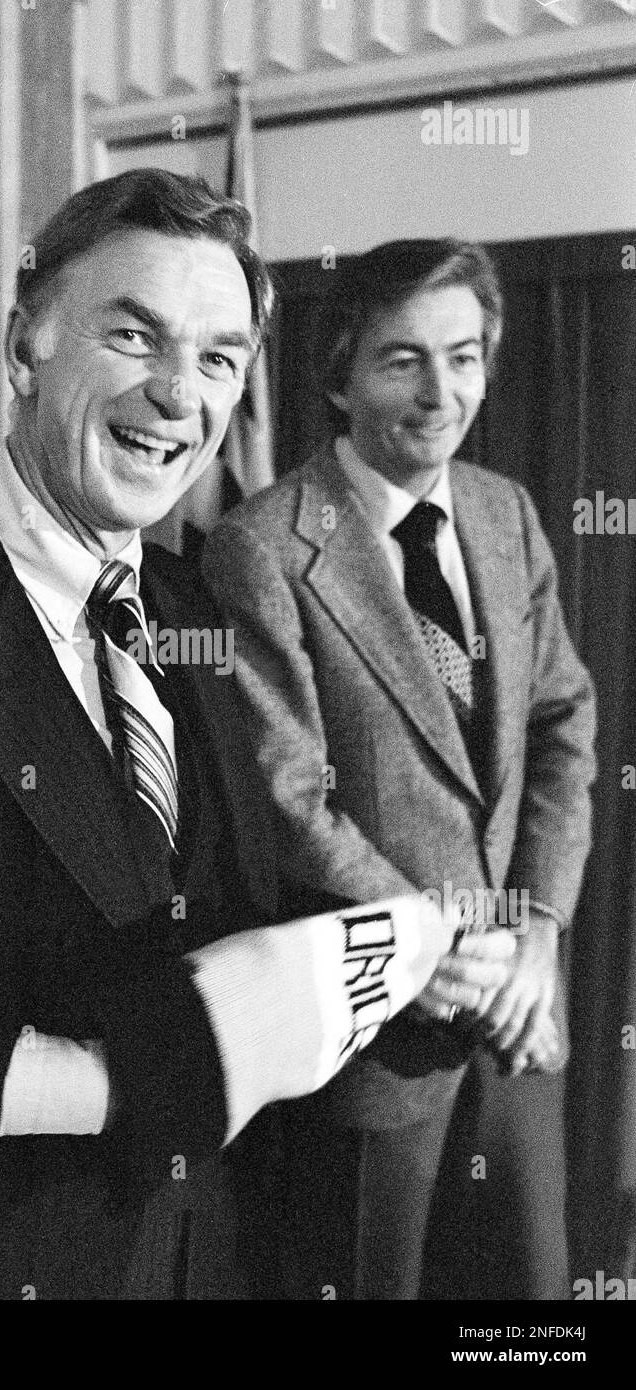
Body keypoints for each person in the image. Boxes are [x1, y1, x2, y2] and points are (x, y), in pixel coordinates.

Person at [0, 174, 464, 1301]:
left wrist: (407, 959)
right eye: (135, 335)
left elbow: (227, 925)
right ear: (26, 344)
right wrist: (117, 1087)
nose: (178, 393)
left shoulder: (196, 608)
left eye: (219, 358)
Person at [203, 238, 597, 1300]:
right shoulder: (262, 547)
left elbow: (563, 722)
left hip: (514, 1025)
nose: (440, 393)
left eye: (462, 357)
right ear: (335, 374)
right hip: (373, 1047)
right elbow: (288, 799)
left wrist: (539, 935)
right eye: (402, 361)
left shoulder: (504, 515)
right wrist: (439, 943)